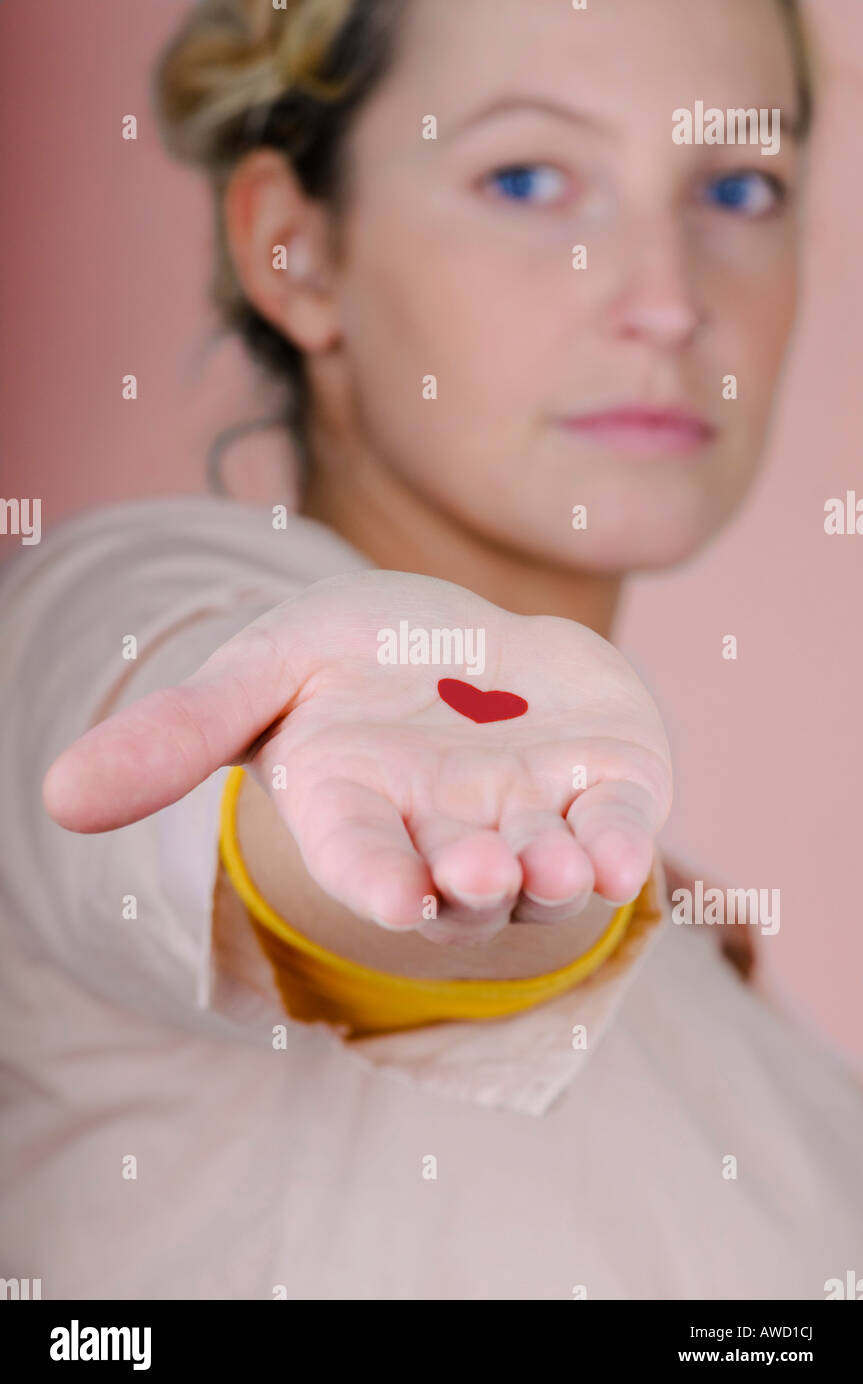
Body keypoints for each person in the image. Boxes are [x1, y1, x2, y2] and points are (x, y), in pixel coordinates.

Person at [1, 0, 860, 1300]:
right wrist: (413, 839)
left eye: (738, 184)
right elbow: (170, 756)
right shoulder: (128, 598)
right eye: (526, 177)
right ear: (294, 249)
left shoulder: (716, 985)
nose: (669, 301)